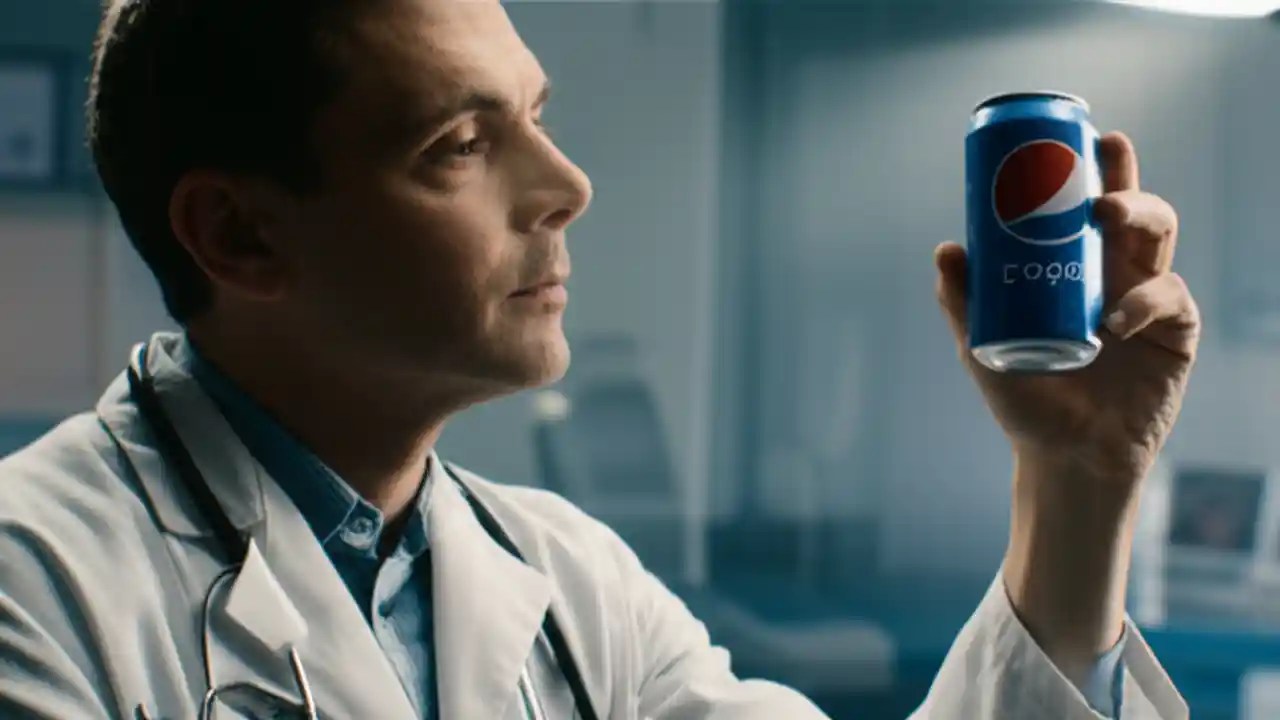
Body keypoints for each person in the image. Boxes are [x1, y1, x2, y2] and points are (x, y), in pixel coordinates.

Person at [0, 0, 1199, 718]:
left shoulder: (572, 586)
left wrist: (1074, 481)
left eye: (538, 114)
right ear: (240, 233)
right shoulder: (37, 588)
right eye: (461, 143)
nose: (567, 187)